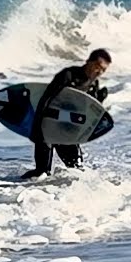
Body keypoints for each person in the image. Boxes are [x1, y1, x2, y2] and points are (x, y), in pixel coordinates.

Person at [22, 48, 111, 179]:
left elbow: (88, 111)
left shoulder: (93, 84)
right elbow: (46, 99)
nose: (99, 72)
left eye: (103, 70)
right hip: (48, 125)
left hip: (67, 129)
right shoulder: (68, 75)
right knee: (41, 173)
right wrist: (37, 127)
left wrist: (99, 100)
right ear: (88, 62)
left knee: (77, 172)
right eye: (98, 67)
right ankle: (14, 189)